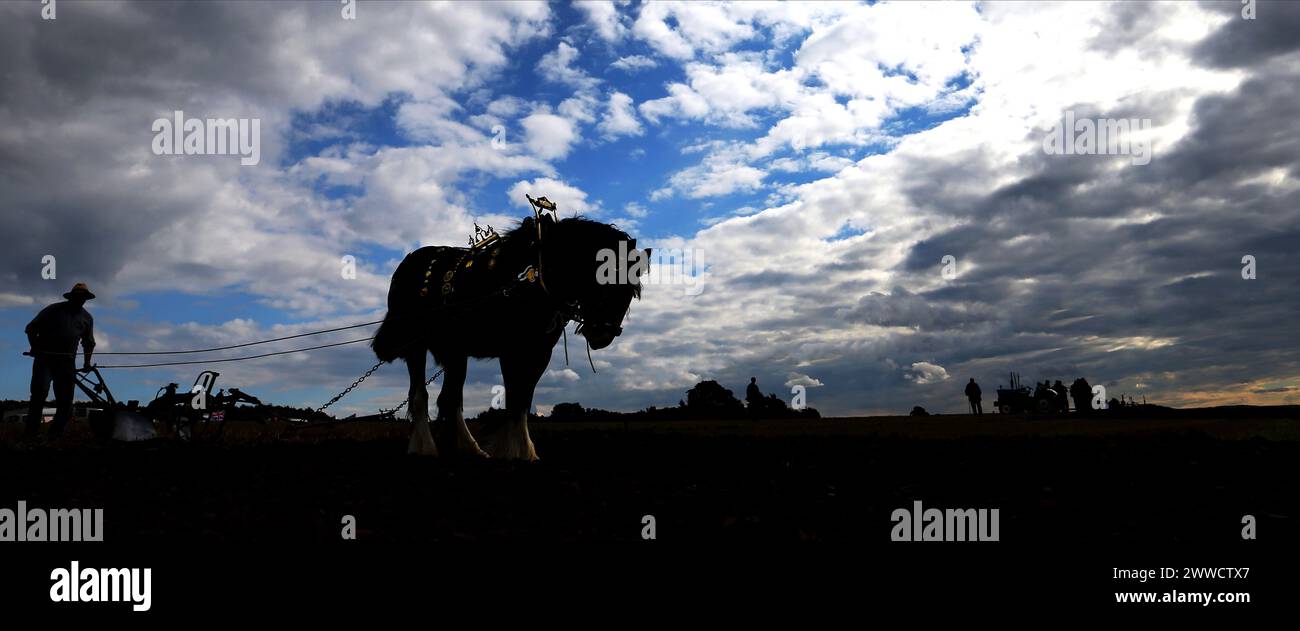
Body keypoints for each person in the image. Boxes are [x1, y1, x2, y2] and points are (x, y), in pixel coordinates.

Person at [25, 283, 97, 440]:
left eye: (83, 298)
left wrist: (87, 363)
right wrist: (35, 347)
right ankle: (31, 435)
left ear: (86, 299)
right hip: (45, 359)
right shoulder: (53, 310)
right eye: (77, 297)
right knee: (39, 395)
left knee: (65, 401)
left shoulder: (86, 318)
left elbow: (89, 343)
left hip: (67, 362)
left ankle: (54, 435)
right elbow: (31, 328)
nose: (80, 300)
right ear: (71, 297)